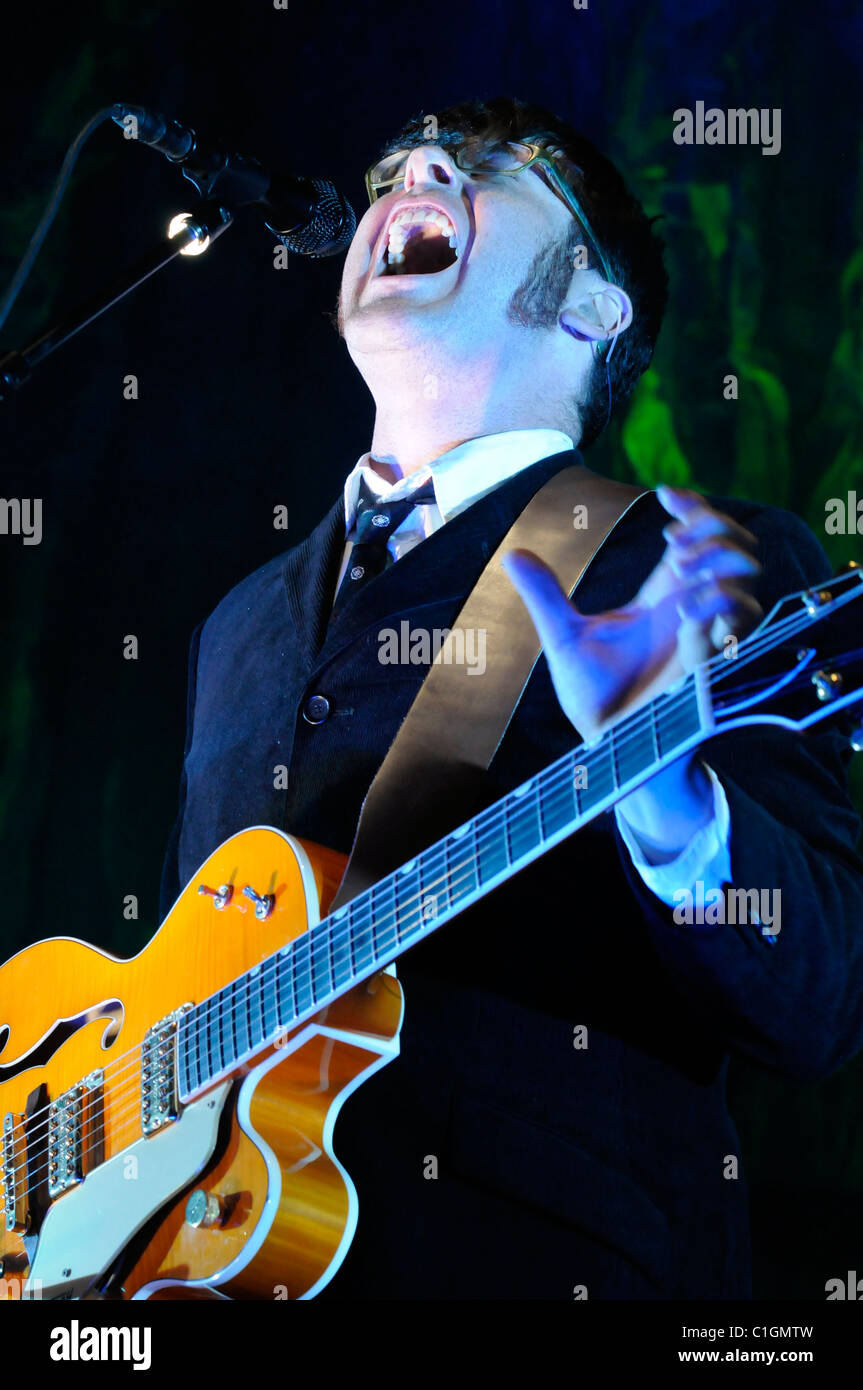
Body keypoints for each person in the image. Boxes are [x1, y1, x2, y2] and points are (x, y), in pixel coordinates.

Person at [159, 97, 863, 1299]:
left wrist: (669, 803)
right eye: (393, 166)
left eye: (487, 167)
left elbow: (824, 990)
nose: (412, 168)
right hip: (217, 1263)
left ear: (594, 305)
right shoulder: (236, 621)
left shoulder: (690, 557)